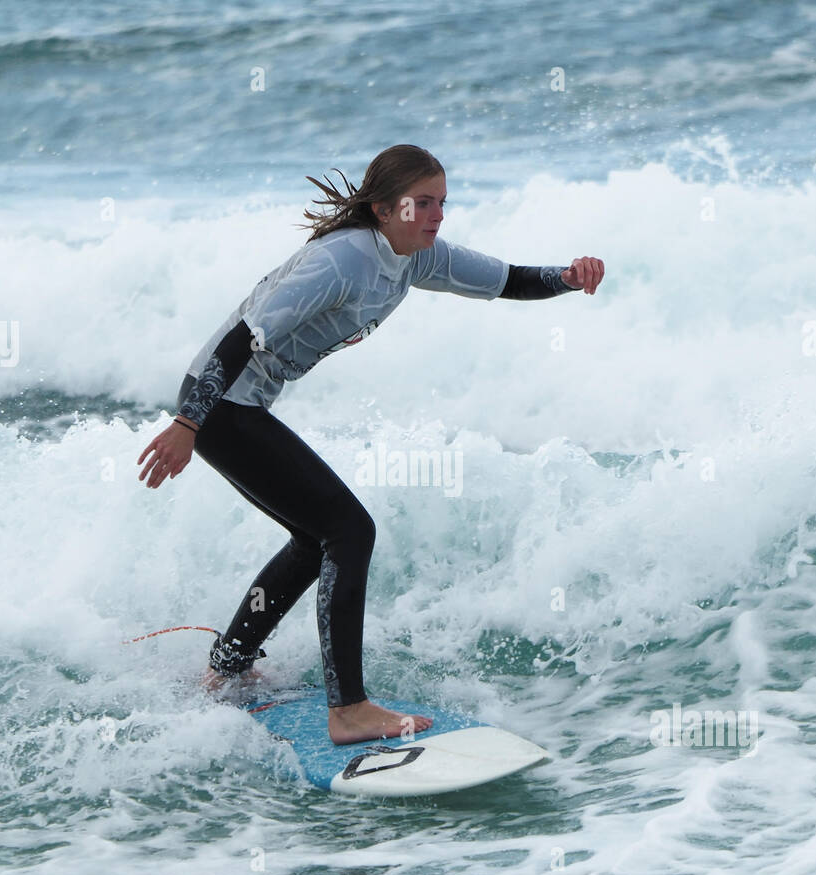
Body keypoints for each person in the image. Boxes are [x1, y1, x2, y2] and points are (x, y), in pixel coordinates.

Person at [137, 144, 604, 745]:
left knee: (315, 539)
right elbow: (240, 340)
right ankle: (348, 710)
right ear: (384, 208)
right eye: (423, 202)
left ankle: (227, 669)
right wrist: (188, 424)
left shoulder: (413, 256)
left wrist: (567, 278)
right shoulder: (343, 262)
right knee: (348, 531)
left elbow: (508, 280)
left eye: (442, 202)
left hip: (236, 407)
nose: (437, 214)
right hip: (220, 403)